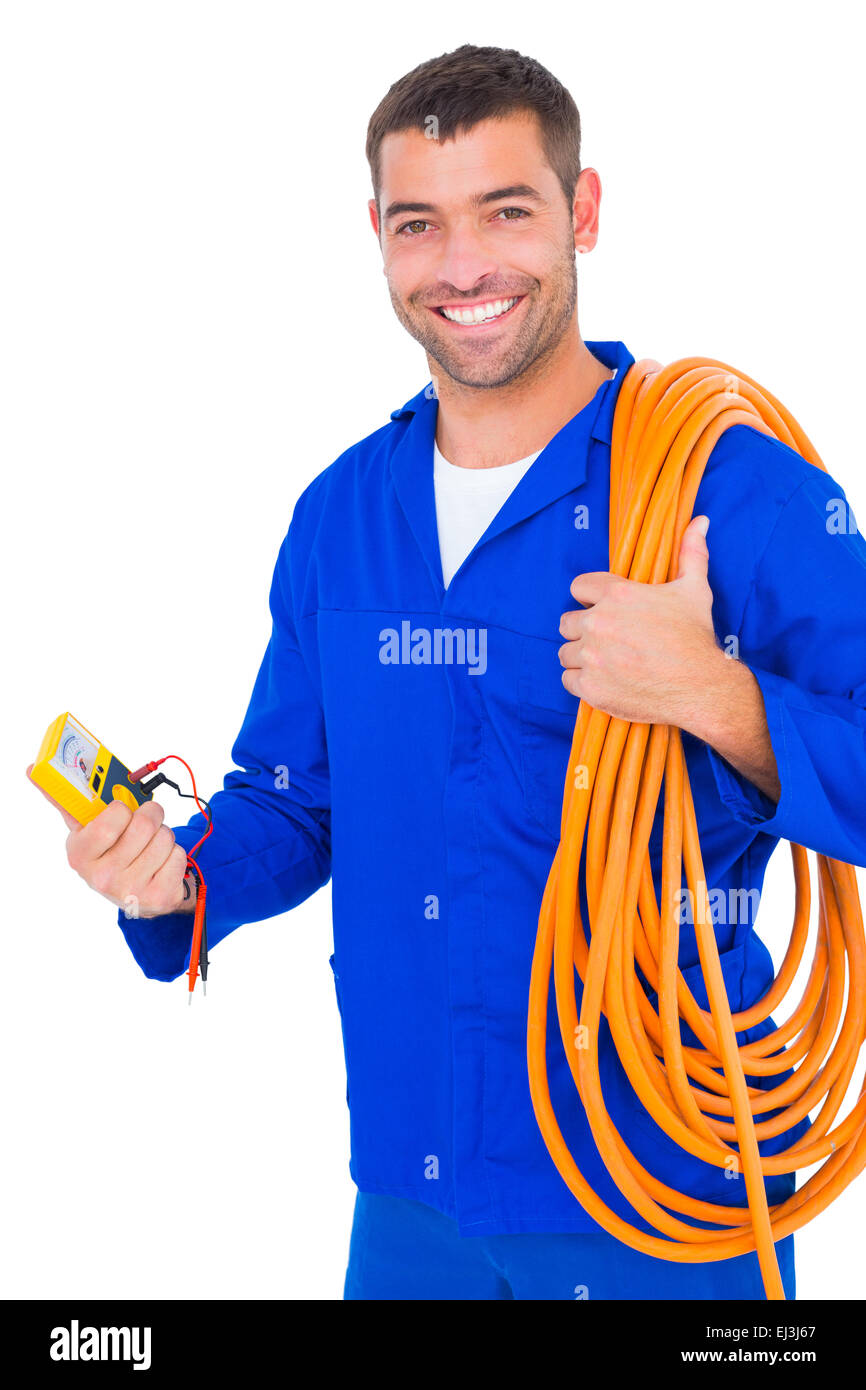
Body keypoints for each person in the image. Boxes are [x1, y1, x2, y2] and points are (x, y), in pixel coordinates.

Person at [30, 43, 866, 1300]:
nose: (463, 266)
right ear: (375, 233)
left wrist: (708, 692)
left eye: (506, 211)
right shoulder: (340, 514)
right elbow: (295, 796)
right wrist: (171, 878)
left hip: (667, 1198)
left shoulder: (731, 493)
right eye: (419, 222)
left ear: (582, 213)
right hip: (411, 1202)